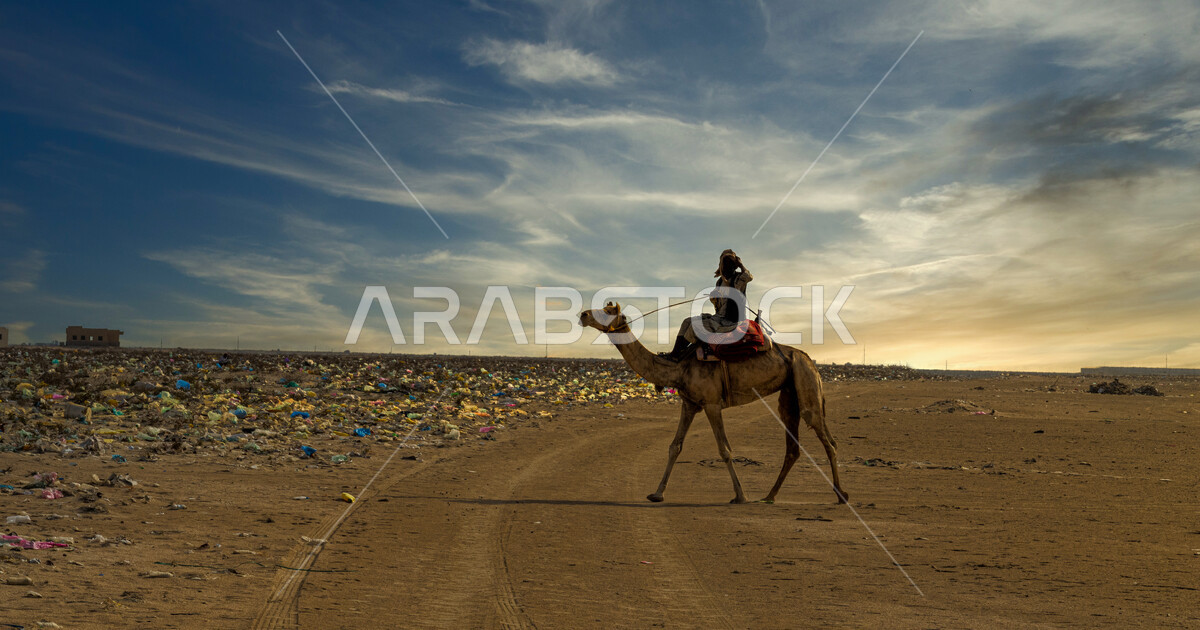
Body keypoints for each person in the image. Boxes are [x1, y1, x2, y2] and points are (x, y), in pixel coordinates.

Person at [660, 249, 753, 362]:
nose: (728, 265)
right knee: (687, 322)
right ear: (721, 265)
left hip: (730, 321)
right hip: (719, 318)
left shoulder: (738, 279)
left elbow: (748, 276)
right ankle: (676, 353)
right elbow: (718, 305)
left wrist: (741, 264)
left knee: (696, 326)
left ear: (735, 265)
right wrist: (714, 297)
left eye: (731, 262)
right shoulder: (719, 282)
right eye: (725, 262)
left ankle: (676, 355)